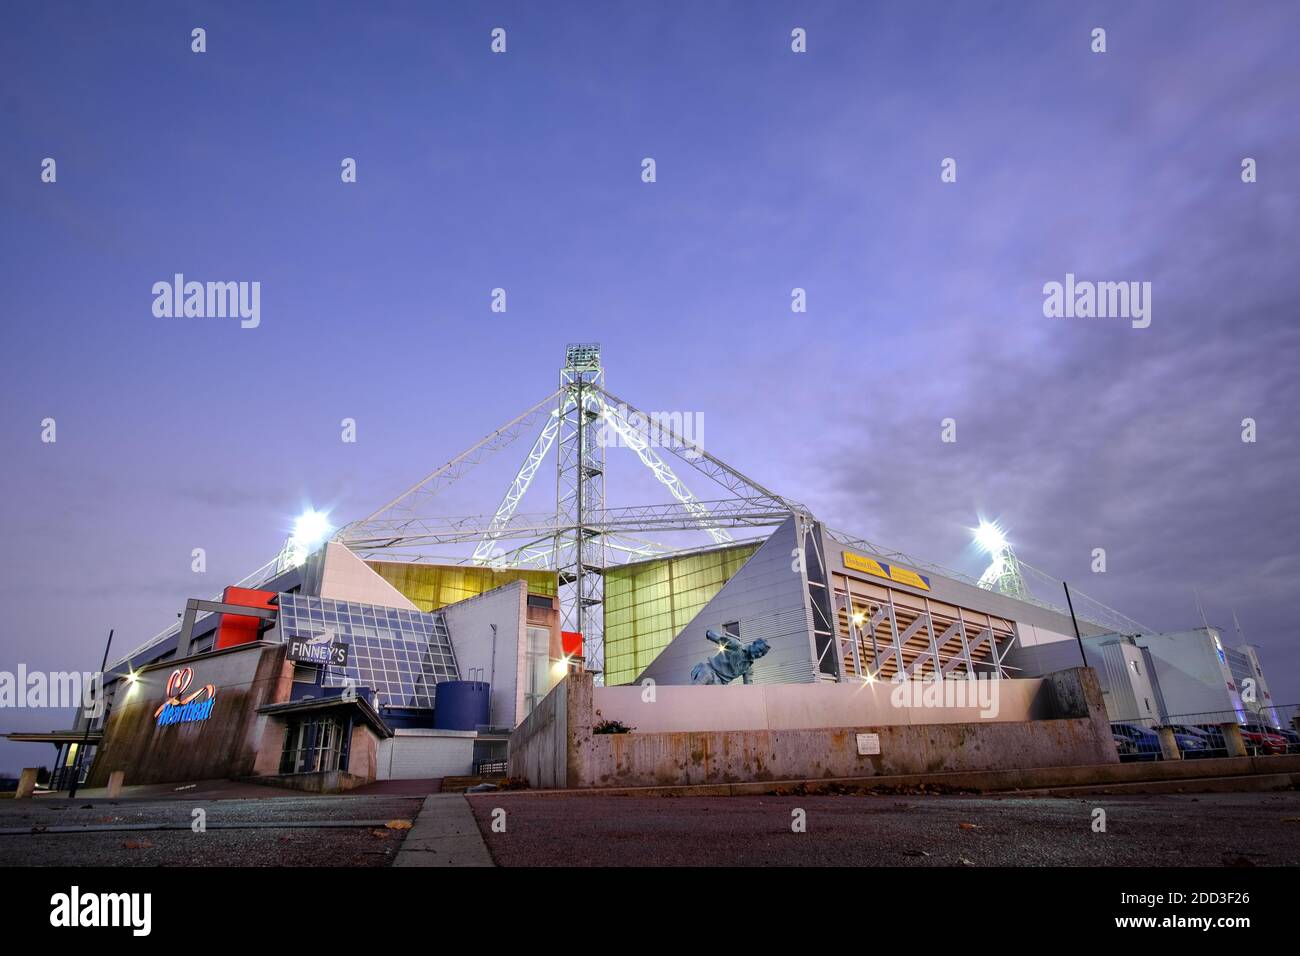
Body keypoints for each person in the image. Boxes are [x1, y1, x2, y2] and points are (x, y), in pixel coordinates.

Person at [689, 628, 771, 685]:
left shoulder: (748, 669)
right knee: (695, 689)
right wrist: (709, 634)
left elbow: (748, 685)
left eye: (762, 654)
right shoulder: (737, 646)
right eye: (760, 650)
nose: (759, 654)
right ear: (754, 644)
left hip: (719, 683)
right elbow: (721, 639)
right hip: (710, 670)